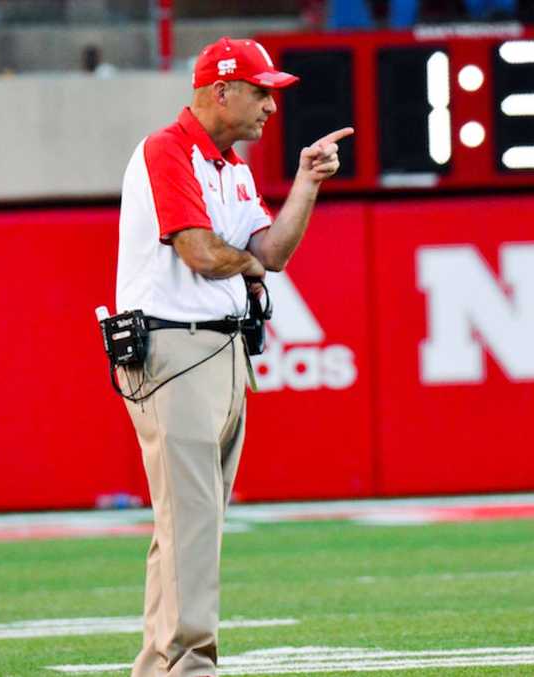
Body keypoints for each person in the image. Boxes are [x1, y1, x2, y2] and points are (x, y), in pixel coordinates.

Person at [113, 36, 352, 677]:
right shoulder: (170, 149)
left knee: (191, 526)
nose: (270, 106)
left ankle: (158, 666)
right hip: (171, 347)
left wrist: (306, 183)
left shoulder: (232, 166)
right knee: (191, 525)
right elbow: (200, 250)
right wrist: (246, 267)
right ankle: (190, 666)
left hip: (217, 348)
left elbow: (270, 252)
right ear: (220, 90)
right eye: (260, 91)